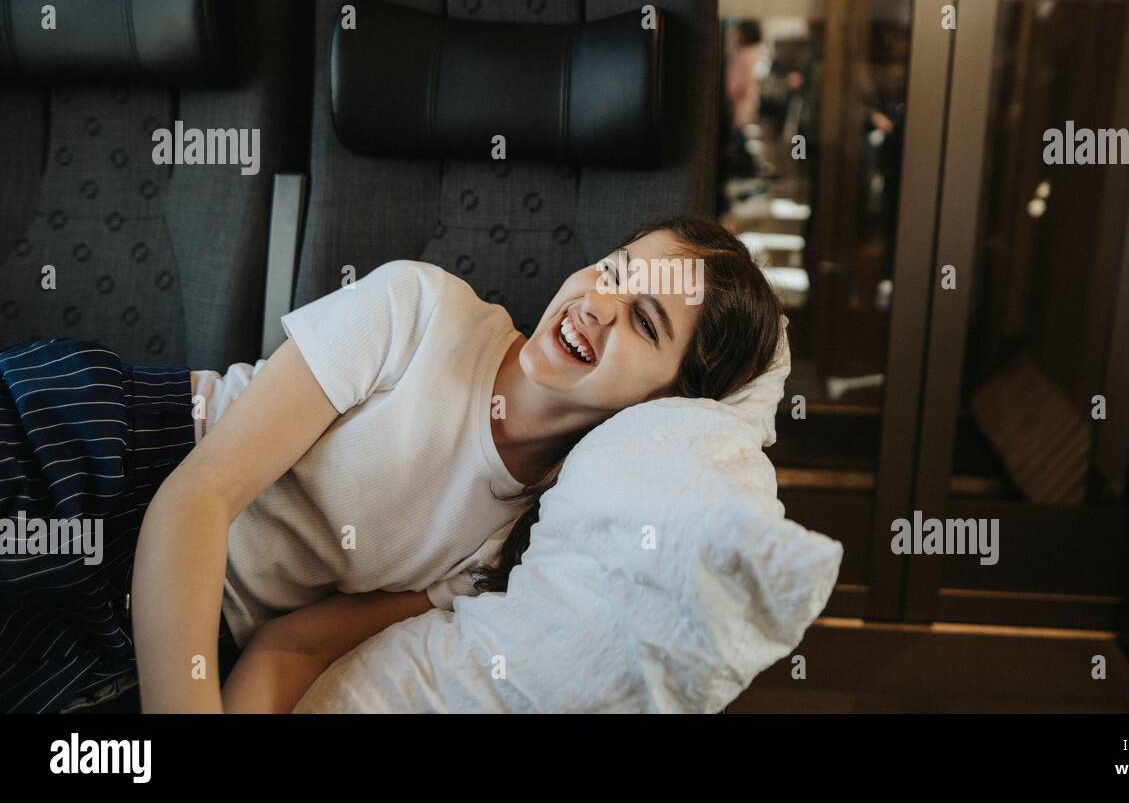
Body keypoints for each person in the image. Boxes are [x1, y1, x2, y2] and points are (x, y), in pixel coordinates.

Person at [0, 215, 784, 713]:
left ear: (667, 407)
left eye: (644, 322)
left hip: (169, 624)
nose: (598, 304)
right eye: (614, 270)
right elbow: (200, 497)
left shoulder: (508, 549)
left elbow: (292, 647)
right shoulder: (424, 307)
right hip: (119, 456)